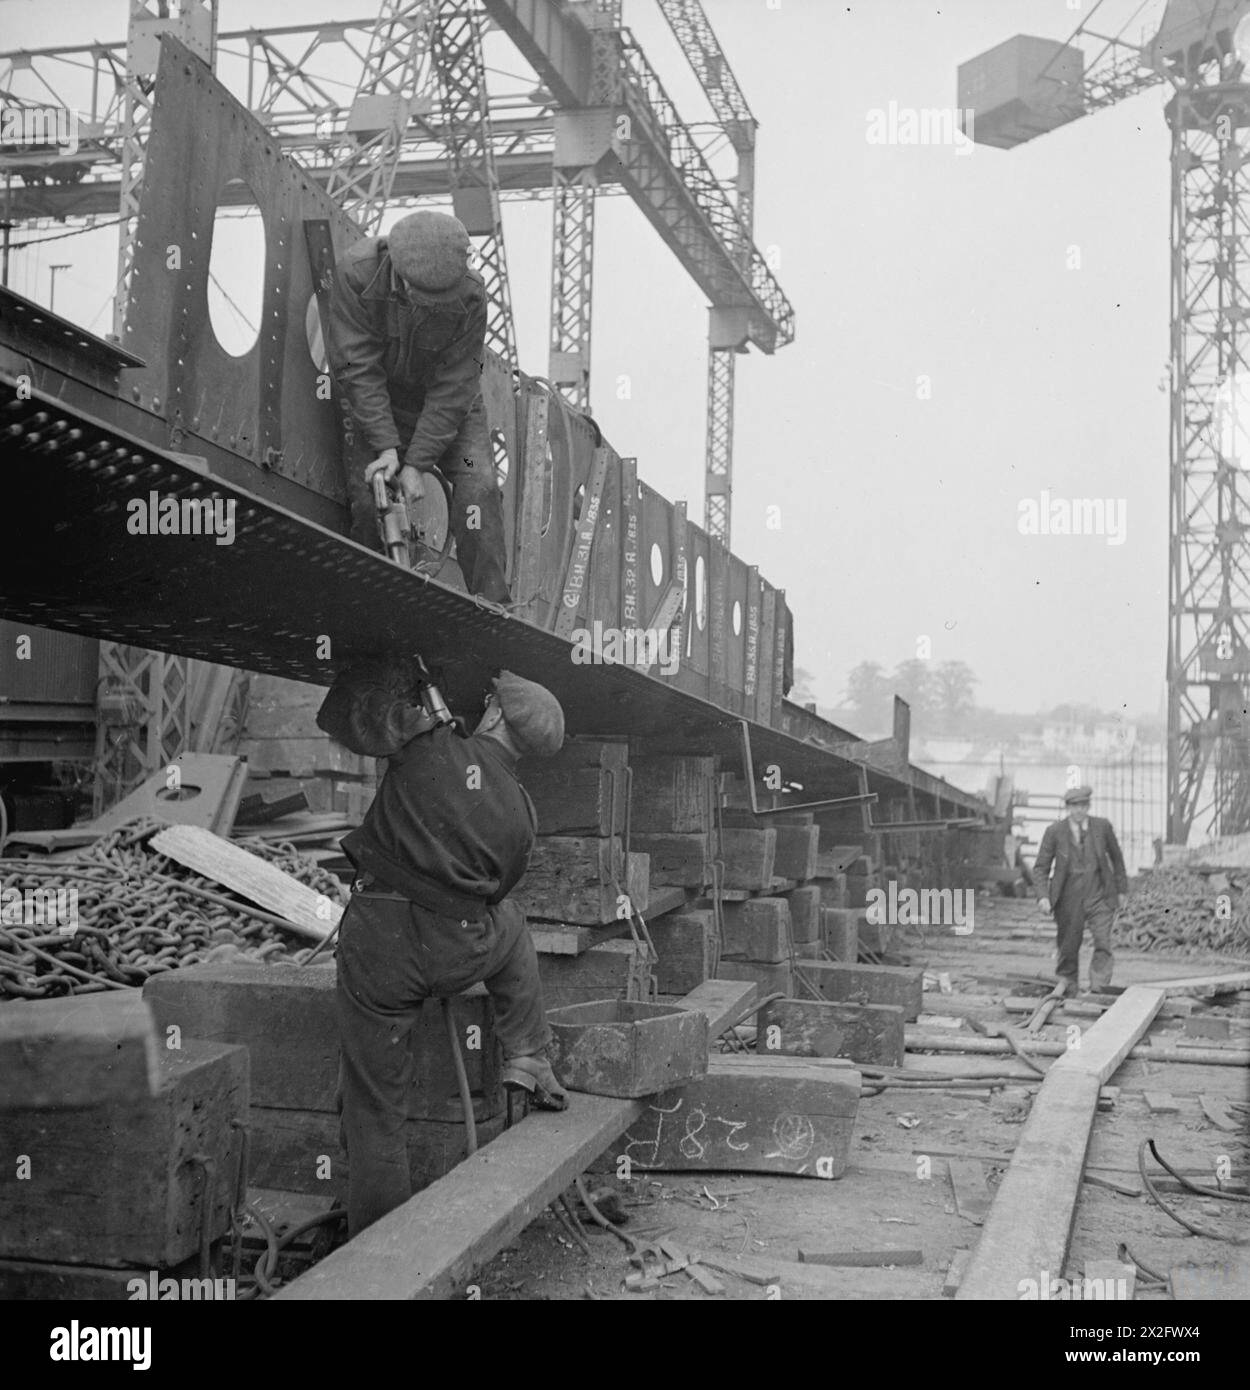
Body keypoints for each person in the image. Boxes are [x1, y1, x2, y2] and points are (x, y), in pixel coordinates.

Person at [316, 660, 568, 1235]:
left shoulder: (428, 747)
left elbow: (349, 720)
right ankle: (528, 1053)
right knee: (512, 925)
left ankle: (375, 1249)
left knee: (375, 1111)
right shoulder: (524, 814)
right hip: (459, 950)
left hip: (381, 947)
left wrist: (399, 676)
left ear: (498, 712)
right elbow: (499, 893)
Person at [326, 209, 510, 603]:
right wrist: (388, 449)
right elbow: (358, 368)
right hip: (380, 402)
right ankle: (381, 613)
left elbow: (456, 383)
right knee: (366, 501)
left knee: (480, 489)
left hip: (450, 405)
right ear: (398, 271)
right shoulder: (356, 275)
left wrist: (417, 465)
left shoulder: (473, 294)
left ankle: (494, 607)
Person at [1032, 785, 1128, 996]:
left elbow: (1117, 859)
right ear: (1068, 808)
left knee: (1103, 942)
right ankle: (1068, 987)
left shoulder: (1102, 827)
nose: (1079, 811)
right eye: (1074, 806)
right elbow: (1041, 868)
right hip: (1068, 899)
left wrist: (1121, 890)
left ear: (1088, 806)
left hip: (1100, 896)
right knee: (1068, 946)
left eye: (1083, 806)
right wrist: (1043, 897)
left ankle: (1099, 988)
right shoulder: (1054, 831)